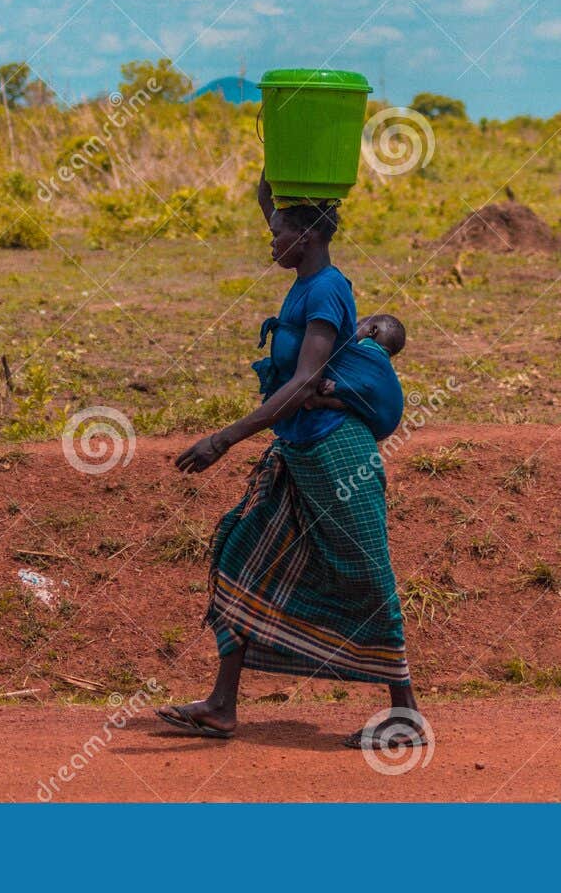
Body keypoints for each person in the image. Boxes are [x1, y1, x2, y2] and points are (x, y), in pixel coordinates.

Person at [159, 175, 424, 750]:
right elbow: (272, 206)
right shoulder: (307, 274)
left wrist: (225, 438)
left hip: (335, 453)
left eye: (278, 230)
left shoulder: (326, 291)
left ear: (303, 236)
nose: (269, 238)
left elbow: (305, 382)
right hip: (299, 450)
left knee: (366, 573)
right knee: (241, 554)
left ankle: (406, 714)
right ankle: (223, 705)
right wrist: (272, 164)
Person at [302, 313, 407, 441]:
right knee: (354, 403)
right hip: (382, 424)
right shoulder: (383, 368)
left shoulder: (367, 354)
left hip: (373, 415)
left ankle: (321, 401)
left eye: (357, 325)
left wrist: (338, 387)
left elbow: (366, 386)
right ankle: (323, 399)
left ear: (372, 331)